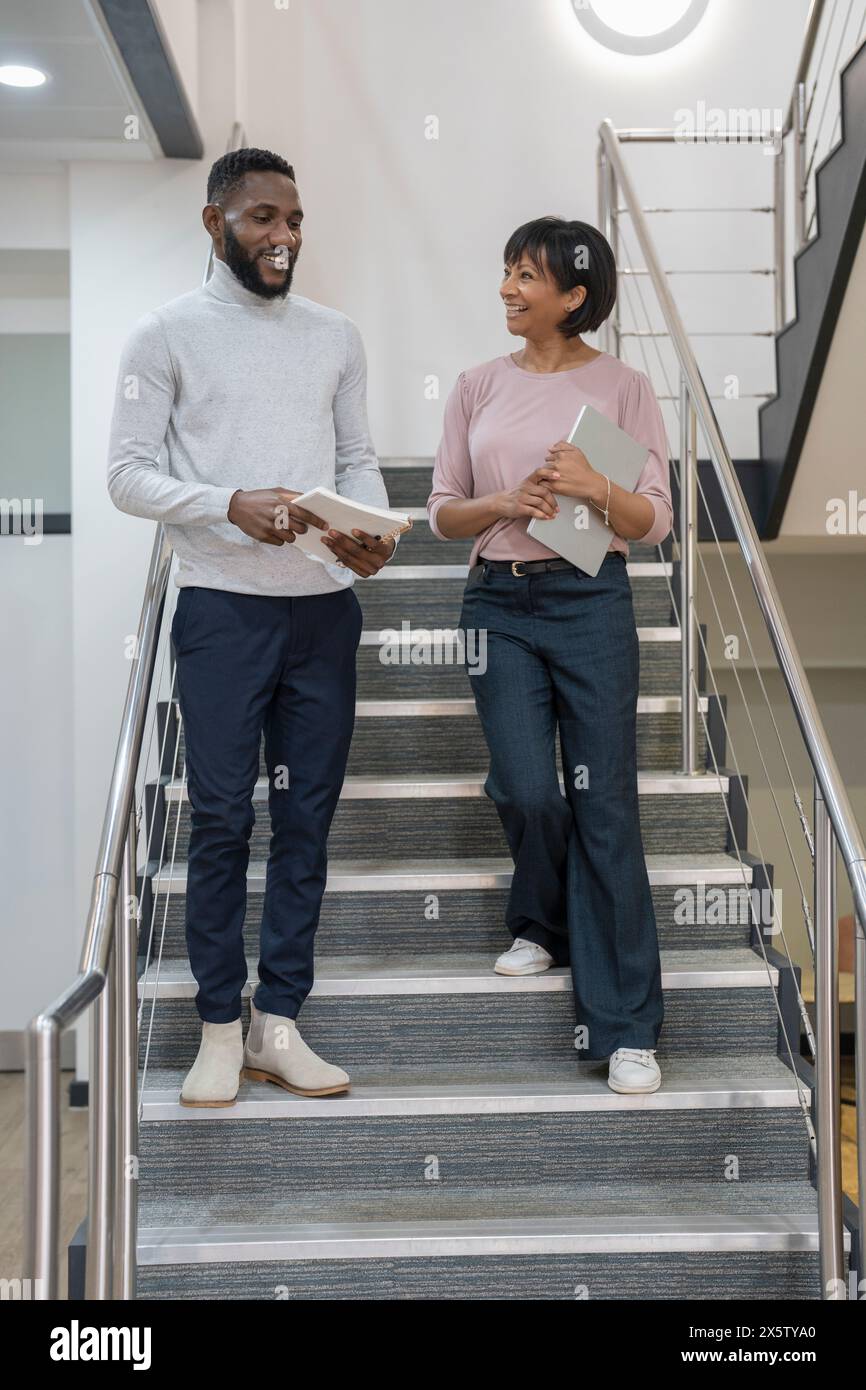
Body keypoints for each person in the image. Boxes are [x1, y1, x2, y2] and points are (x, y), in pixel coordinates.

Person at [107, 148, 399, 1107]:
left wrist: (368, 531)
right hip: (222, 610)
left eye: (296, 220)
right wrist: (224, 501)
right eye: (264, 219)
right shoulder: (164, 335)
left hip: (322, 612)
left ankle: (282, 1022)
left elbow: (358, 460)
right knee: (226, 817)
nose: (284, 238)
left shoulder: (336, 335)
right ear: (214, 223)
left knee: (305, 819)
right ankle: (221, 1028)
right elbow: (126, 475)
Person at [427, 216, 672, 1095]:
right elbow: (442, 512)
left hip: (591, 599)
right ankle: (542, 920)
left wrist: (591, 485)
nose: (507, 288)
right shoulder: (474, 387)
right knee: (528, 786)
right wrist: (507, 496)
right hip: (498, 599)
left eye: (527, 277)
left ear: (573, 297)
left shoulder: (624, 386)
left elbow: (654, 518)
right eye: (505, 271)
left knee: (604, 802)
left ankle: (628, 1027)